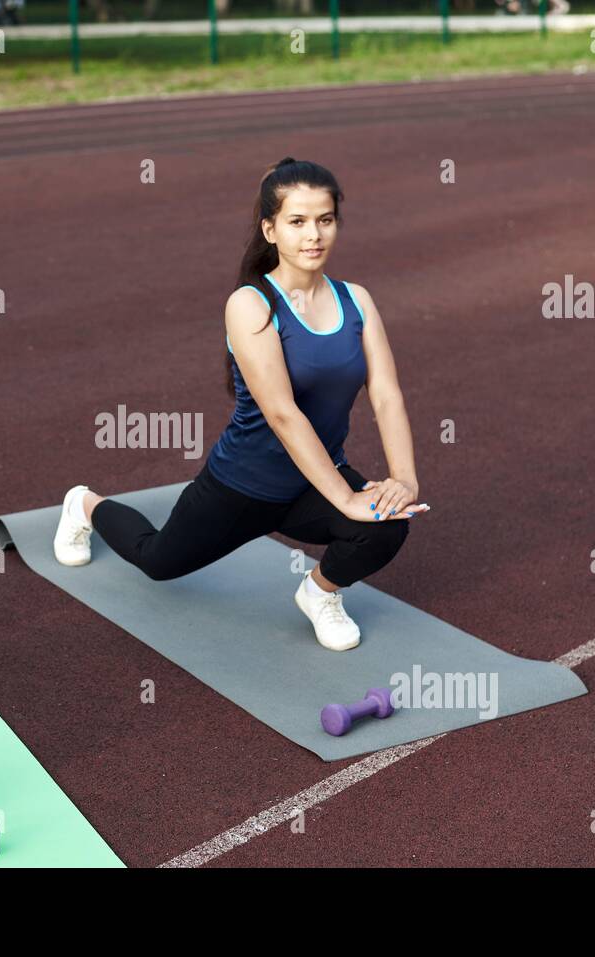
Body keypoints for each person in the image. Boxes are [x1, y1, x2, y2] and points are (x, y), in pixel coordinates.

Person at [53, 158, 426, 652]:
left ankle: (319, 594)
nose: (313, 234)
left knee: (388, 525)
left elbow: (385, 393)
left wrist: (403, 479)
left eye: (325, 219)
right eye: (297, 222)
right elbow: (282, 413)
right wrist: (347, 498)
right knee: (159, 562)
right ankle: (84, 504)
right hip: (241, 486)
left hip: (313, 480)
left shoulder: (356, 300)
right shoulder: (250, 304)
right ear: (270, 229)